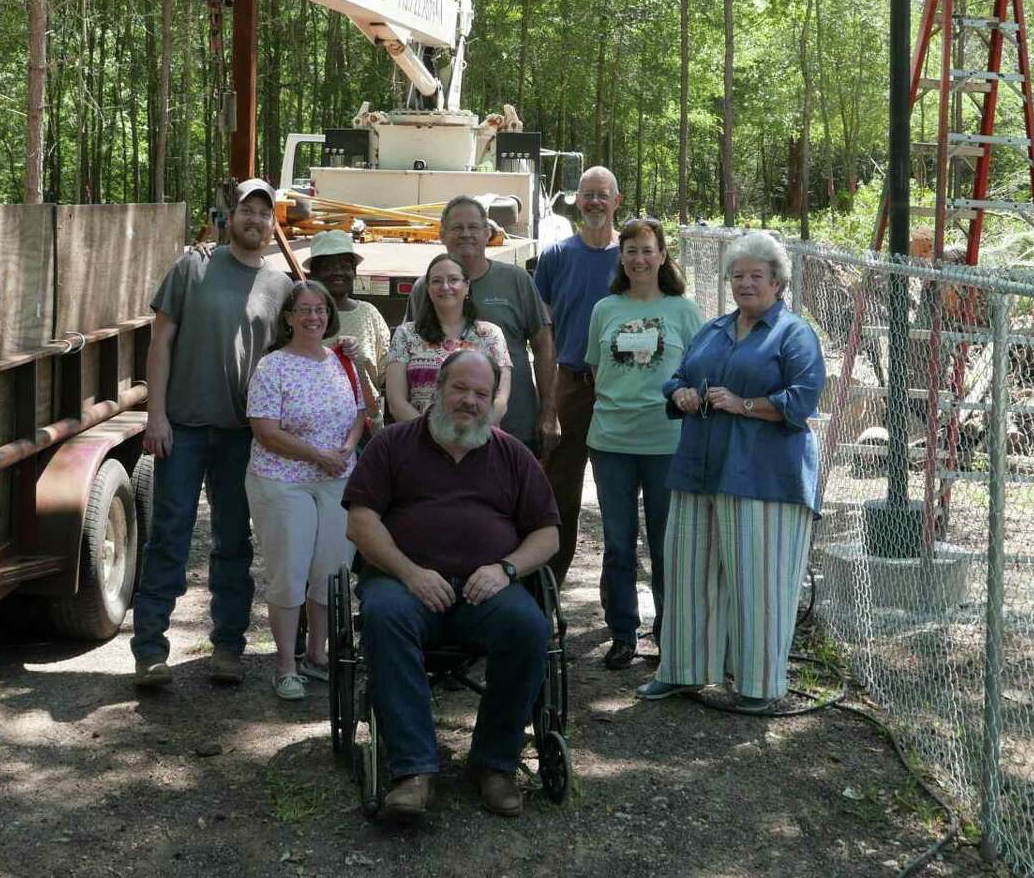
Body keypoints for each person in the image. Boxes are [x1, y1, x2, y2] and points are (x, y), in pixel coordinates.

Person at [344, 348, 561, 820]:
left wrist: (505, 569)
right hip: (404, 584)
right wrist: (410, 572)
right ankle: (414, 772)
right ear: (438, 389)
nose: (470, 401)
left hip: (486, 589)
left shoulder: (511, 454)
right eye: (460, 388)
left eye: (481, 393)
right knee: (383, 616)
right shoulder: (393, 445)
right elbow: (360, 523)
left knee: (528, 627)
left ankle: (494, 765)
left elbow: (547, 533)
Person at [637, 230, 825, 714]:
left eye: (755, 276)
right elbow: (678, 377)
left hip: (763, 476)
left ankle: (759, 686)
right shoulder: (715, 328)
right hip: (699, 469)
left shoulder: (793, 333)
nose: (745, 284)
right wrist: (678, 393)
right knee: (688, 573)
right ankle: (681, 671)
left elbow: (803, 400)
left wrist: (745, 405)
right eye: (737, 275)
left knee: (758, 584)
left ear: (778, 282)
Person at [131, 178, 293, 689]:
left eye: (265, 214)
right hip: (182, 428)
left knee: (232, 543)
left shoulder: (280, 285)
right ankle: (150, 651)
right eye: (248, 209)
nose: (256, 220)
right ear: (231, 215)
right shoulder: (192, 266)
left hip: (242, 434)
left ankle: (228, 648)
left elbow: (292, 357)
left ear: (273, 225)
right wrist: (155, 414)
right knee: (170, 535)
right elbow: (160, 344)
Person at [582, 216, 703, 669]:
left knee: (666, 543)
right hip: (611, 440)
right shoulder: (605, 309)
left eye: (647, 250)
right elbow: (596, 370)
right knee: (617, 541)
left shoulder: (684, 311)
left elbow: (697, 371)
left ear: (662, 254)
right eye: (631, 251)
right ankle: (623, 633)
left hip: (666, 443)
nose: (639, 259)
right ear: (622, 257)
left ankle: (669, 633)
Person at [244, 280, 366, 699]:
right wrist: (318, 455)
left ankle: (317, 656)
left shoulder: (341, 361)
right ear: (289, 318)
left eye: (321, 310)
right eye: (304, 310)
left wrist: (347, 448)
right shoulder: (272, 366)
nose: (314, 317)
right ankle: (284, 666)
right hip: (283, 481)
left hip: (337, 479)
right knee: (290, 571)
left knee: (331, 570)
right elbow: (265, 431)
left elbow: (360, 413)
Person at [533, 166, 622, 584]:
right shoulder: (556, 257)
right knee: (559, 495)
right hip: (569, 386)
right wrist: (547, 403)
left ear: (617, 201)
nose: (595, 203)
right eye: (588, 194)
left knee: (618, 497)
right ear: (577, 201)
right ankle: (548, 593)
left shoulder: (634, 259)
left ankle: (620, 609)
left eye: (603, 194)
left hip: (622, 392)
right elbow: (541, 332)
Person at [406, 196, 554, 447]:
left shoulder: (516, 280)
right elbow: (409, 356)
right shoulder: (426, 288)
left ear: (487, 233)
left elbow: (544, 348)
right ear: (442, 234)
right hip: (443, 434)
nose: (466, 234)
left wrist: (549, 412)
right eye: (457, 227)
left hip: (513, 427)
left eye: (473, 227)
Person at [385, 251, 511, 424]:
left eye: (453, 279)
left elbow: (500, 401)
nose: (445, 287)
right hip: (420, 442)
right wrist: (431, 435)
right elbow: (396, 402)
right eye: (436, 281)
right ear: (428, 289)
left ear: (467, 286)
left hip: (477, 441)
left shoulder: (490, 335)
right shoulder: (405, 335)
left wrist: (469, 435)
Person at [306, 231, 389, 428]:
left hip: (366, 428)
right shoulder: (303, 317)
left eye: (345, 266)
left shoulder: (370, 315)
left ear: (354, 271)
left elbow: (387, 373)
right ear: (314, 273)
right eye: (328, 267)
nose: (338, 272)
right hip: (311, 428)